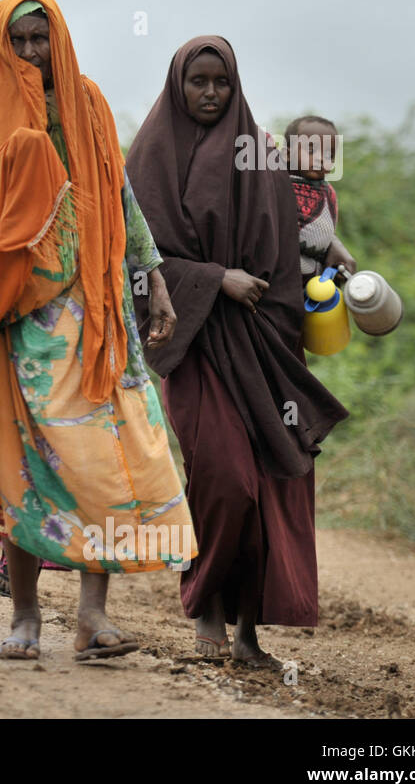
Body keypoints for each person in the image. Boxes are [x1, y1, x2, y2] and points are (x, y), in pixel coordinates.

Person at [0, 0, 195, 662]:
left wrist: (154, 276)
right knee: (26, 465)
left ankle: (93, 616)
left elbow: (116, 190)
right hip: (20, 316)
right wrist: (17, 165)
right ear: (0, 43)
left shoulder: (88, 102)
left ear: (60, 40)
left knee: (102, 459)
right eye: (17, 41)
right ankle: (25, 618)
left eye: (39, 40)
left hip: (98, 310)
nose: (30, 53)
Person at [127, 36, 349, 669]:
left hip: (264, 346)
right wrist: (214, 278)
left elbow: (290, 258)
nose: (210, 93)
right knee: (225, 479)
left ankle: (248, 630)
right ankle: (205, 609)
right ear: (178, 85)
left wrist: (331, 285)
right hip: (195, 343)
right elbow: (137, 263)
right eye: (197, 81)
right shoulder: (148, 160)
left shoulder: (264, 162)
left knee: (271, 485)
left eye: (220, 82)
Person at [284, 115, 357, 280]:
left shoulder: (328, 193)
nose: (320, 158)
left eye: (328, 155)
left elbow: (327, 233)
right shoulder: (274, 183)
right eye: (311, 150)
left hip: (315, 280)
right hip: (276, 276)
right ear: (287, 154)